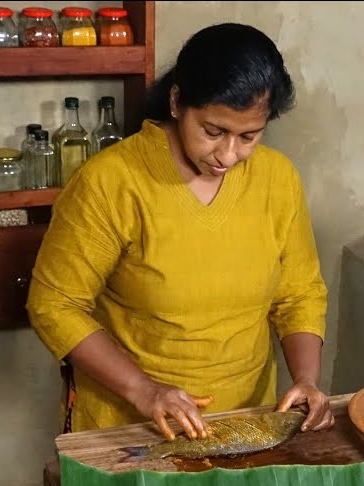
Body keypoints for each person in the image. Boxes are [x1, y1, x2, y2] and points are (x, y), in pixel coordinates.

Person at [27, 23, 333, 441]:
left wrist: (307, 378)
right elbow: (55, 303)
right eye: (213, 131)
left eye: (249, 136)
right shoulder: (112, 181)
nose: (228, 154)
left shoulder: (277, 179)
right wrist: (145, 391)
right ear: (176, 102)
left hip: (245, 420)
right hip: (132, 426)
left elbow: (300, 293)